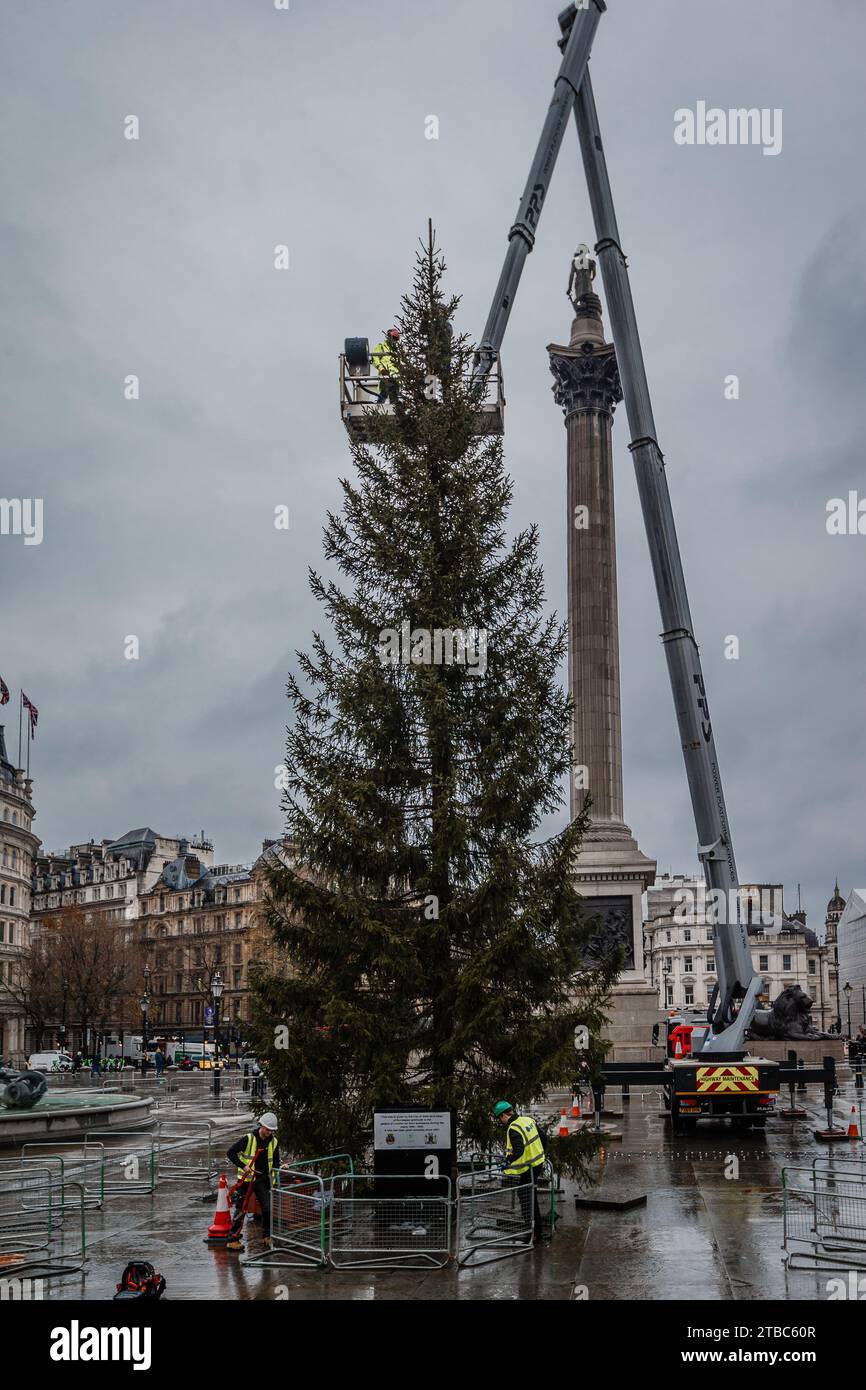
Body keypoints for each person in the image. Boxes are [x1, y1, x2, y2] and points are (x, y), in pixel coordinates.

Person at [494, 1100, 548, 1243]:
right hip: (537, 1164)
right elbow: (544, 1138)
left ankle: (534, 1233)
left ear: (504, 1115)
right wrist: (540, 1154)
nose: (501, 1122)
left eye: (500, 1119)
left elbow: (518, 1150)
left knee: (527, 1199)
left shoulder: (513, 1128)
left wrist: (507, 1161)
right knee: (530, 1197)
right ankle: (535, 1232)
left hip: (528, 1168)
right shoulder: (527, 1120)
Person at [225, 1113, 280, 1252]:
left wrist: (279, 1169)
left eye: (272, 1130)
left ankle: (267, 1237)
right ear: (261, 1126)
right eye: (268, 1129)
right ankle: (233, 1239)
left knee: (267, 1208)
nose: (270, 1132)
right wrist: (244, 1167)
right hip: (247, 1181)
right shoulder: (249, 1139)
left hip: (262, 1180)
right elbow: (231, 1153)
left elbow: (275, 1162)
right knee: (241, 1209)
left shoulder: (274, 1142)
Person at [372, 327, 400, 405]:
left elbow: (402, 362)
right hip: (385, 374)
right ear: (388, 337)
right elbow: (375, 358)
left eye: (395, 338)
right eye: (393, 337)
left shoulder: (397, 350)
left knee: (392, 392)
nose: (394, 340)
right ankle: (381, 405)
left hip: (396, 376)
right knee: (387, 390)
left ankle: (391, 406)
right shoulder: (381, 347)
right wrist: (381, 369)